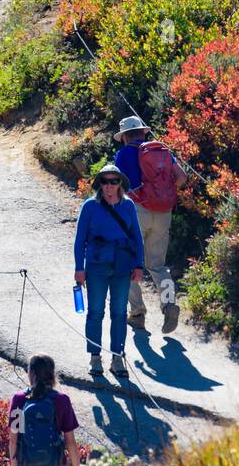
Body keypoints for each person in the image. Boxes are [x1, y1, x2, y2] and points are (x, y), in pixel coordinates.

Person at [114, 116, 185, 335]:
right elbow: (181, 177)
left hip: (136, 212)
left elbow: (118, 188)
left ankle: (137, 314)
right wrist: (163, 194)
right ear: (144, 132)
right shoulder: (162, 151)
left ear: (125, 136)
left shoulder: (124, 154)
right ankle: (169, 303)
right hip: (163, 212)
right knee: (158, 265)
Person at [74, 163, 144, 378]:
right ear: (99, 184)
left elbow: (137, 238)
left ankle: (117, 357)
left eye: (114, 182)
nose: (109, 186)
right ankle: (95, 357)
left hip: (122, 267)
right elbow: (80, 241)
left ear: (120, 184)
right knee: (95, 313)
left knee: (119, 313)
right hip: (96, 267)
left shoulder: (128, 206)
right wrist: (79, 268)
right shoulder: (89, 207)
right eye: (105, 181)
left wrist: (138, 265)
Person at [8, 355, 81, 466]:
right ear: (52, 375)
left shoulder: (19, 399)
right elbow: (71, 443)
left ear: (31, 374)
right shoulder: (61, 400)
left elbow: (13, 441)